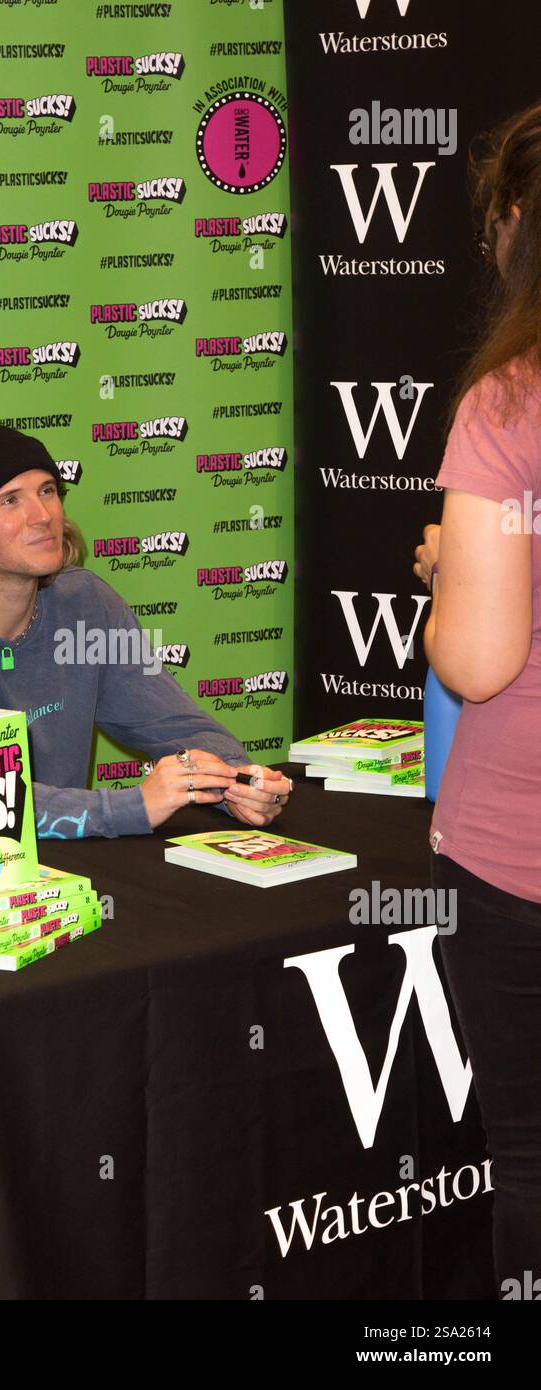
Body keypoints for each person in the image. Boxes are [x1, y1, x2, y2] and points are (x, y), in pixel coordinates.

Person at [0, 407, 292, 840]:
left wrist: (238, 779)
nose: (43, 515)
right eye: (11, 500)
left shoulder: (84, 605)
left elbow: (174, 723)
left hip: (57, 869)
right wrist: (133, 806)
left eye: (47, 490)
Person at [413, 101, 541, 1295]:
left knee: (533, 1168)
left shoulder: (507, 403)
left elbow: (478, 660)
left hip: (522, 857)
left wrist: (448, 580)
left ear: (513, 226)